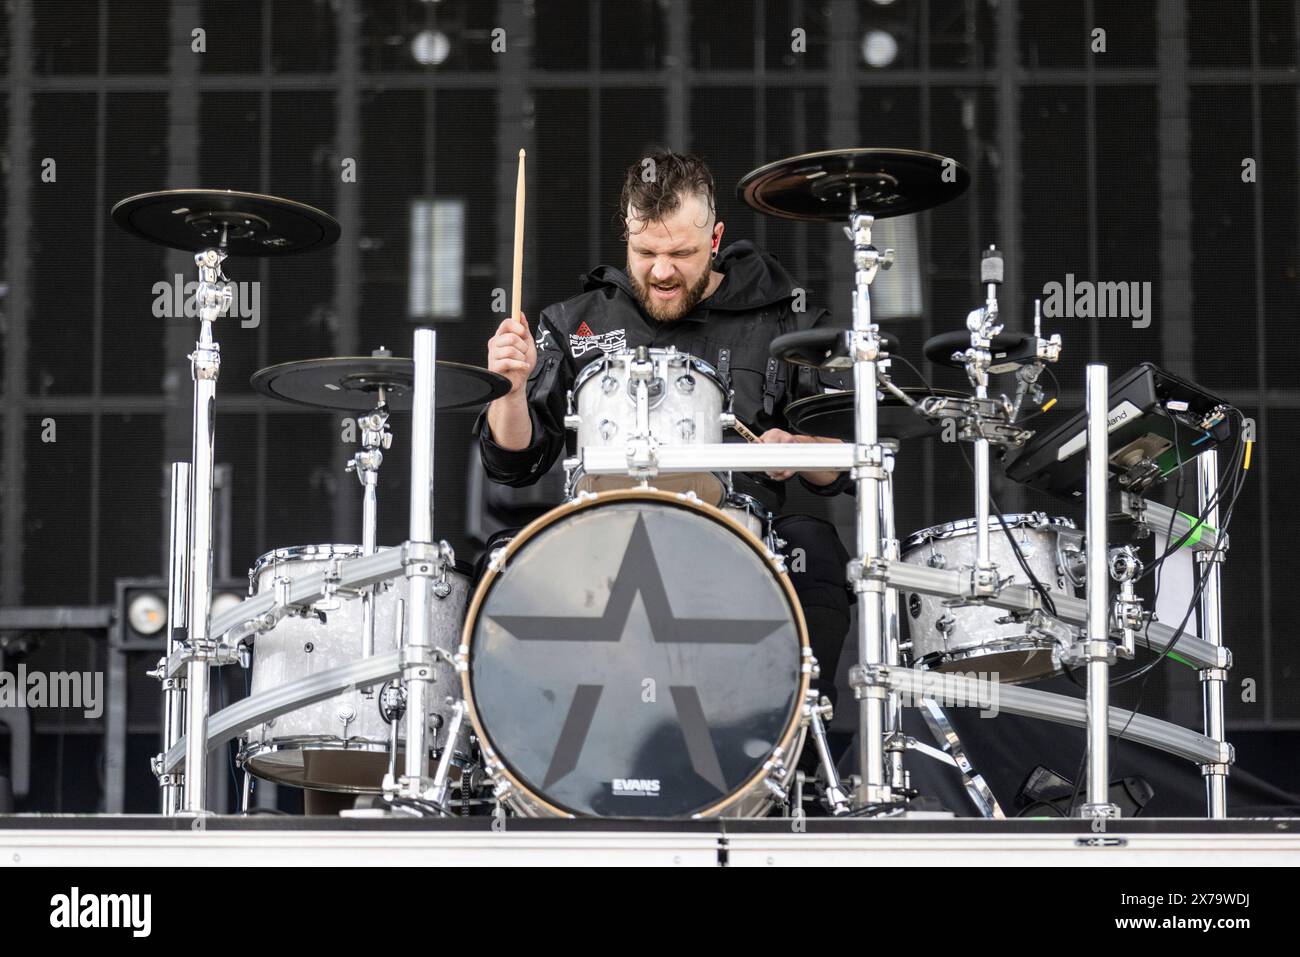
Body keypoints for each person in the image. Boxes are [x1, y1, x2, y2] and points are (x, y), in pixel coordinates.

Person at [476, 150, 852, 718]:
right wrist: (509, 387)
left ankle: (794, 753)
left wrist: (799, 451)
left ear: (716, 237)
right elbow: (515, 462)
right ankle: (516, 771)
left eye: (681, 253)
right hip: (597, 549)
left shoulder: (784, 320)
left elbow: (847, 464)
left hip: (741, 551)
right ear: (625, 237)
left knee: (814, 547)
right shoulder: (574, 322)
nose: (661, 271)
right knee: (497, 564)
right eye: (645, 252)